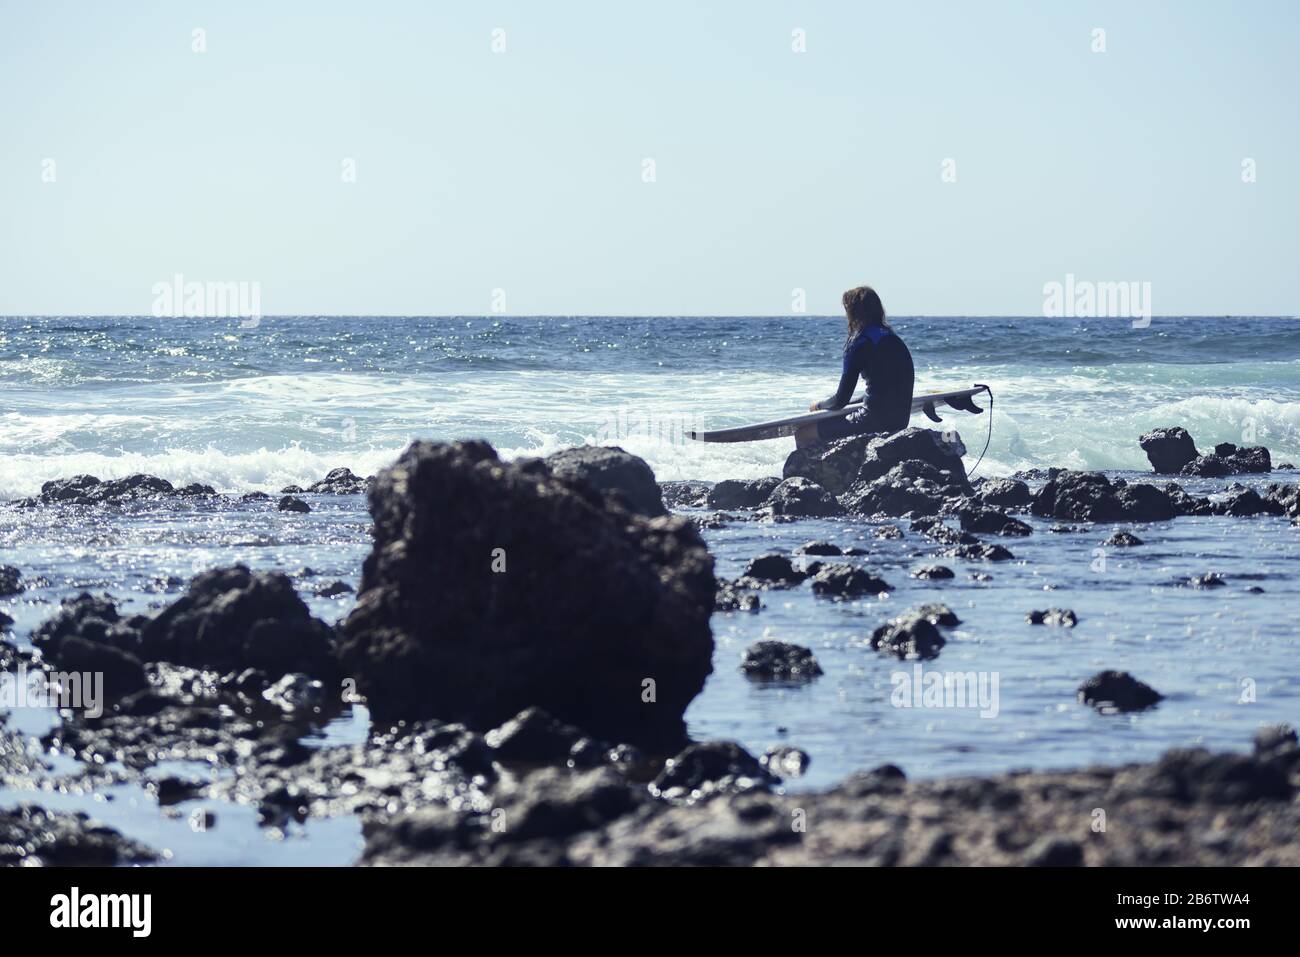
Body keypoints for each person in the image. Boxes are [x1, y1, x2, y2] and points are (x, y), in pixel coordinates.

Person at [795, 286, 914, 448]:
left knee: (804, 433)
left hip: (873, 421)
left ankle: (814, 471)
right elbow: (883, 393)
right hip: (900, 421)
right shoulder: (893, 339)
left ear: (854, 313)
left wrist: (819, 406)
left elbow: (839, 401)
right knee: (833, 423)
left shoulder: (860, 342)